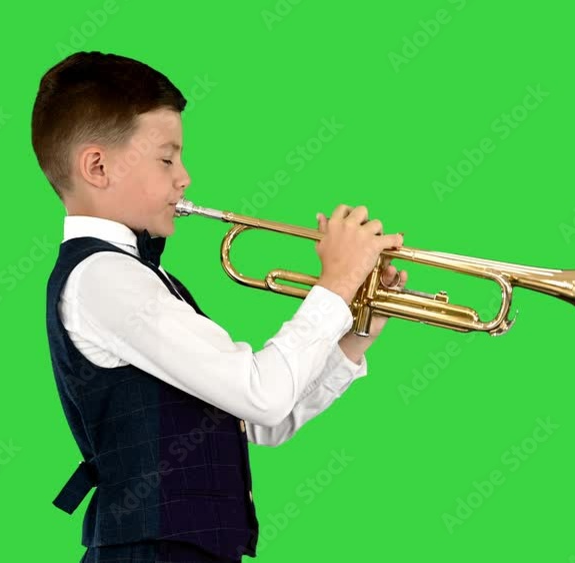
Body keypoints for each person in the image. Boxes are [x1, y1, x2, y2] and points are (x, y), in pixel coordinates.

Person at [32, 51, 407, 563]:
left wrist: (356, 327)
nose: (184, 177)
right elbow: (264, 394)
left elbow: (260, 420)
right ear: (97, 166)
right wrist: (337, 284)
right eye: (167, 158)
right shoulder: (104, 278)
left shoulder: (145, 278)